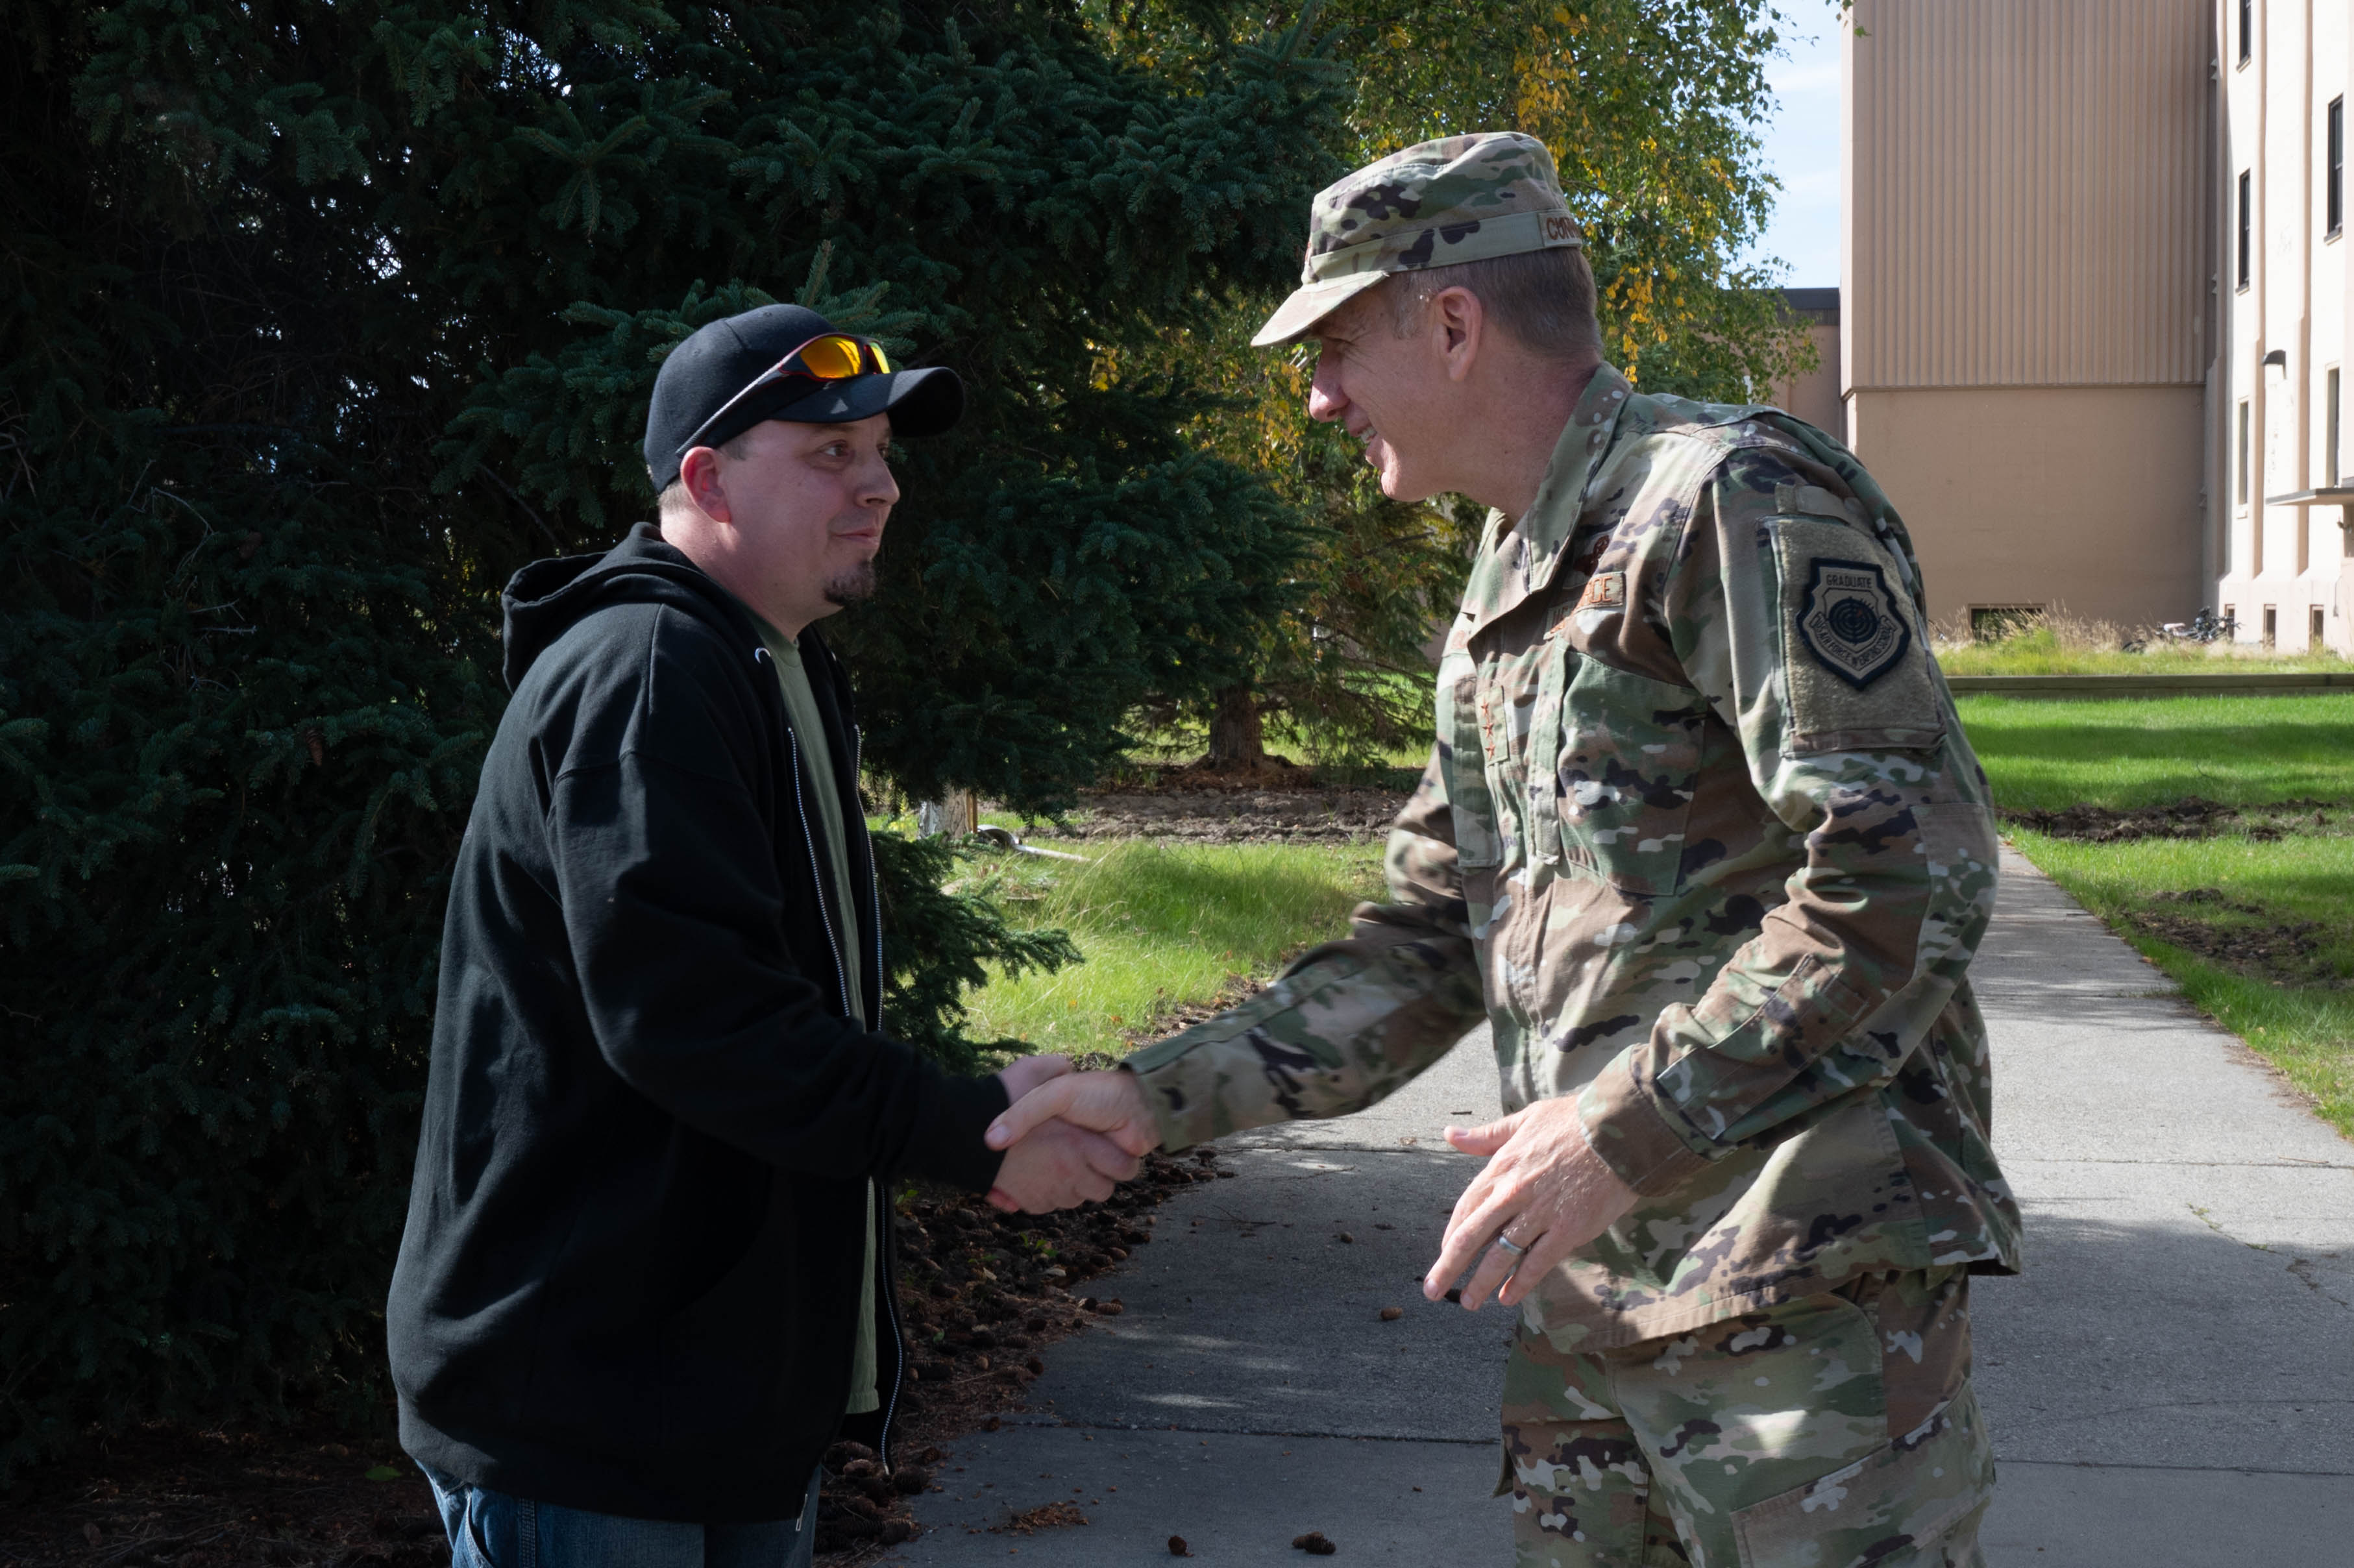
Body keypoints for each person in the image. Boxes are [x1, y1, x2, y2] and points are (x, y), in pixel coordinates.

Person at [990, 133, 2022, 1567]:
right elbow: (1423, 938)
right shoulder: (1511, 567)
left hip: (1797, 1299)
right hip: (1593, 1302)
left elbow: (1905, 870)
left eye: (1337, 345)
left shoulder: (1726, 501)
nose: (1317, 393)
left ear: (1452, 321)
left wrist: (1618, 1131)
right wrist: (1144, 1096)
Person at [387, 303, 1131, 1567]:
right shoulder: (645, 671)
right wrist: (966, 1125)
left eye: (882, 450)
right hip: (586, 1409)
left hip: (714, 1402)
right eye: (827, 452)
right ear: (703, 476)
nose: (879, 484)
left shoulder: (768, 665)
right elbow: (694, 1015)